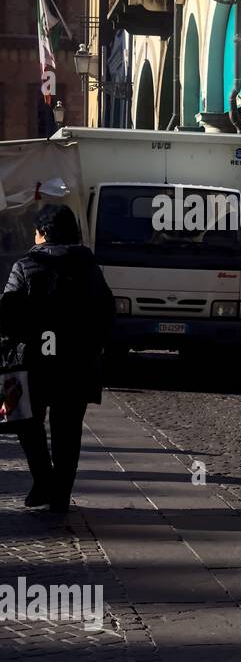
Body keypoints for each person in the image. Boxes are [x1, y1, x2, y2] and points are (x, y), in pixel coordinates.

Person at [1, 204, 115, 512]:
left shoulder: (25, 266)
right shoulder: (90, 267)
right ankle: (60, 493)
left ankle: (43, 482)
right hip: (77, 364)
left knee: (27, 423)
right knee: (68, 430)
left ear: (41, 233)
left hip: (34, 362)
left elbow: (7, 315)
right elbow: (107, 313)